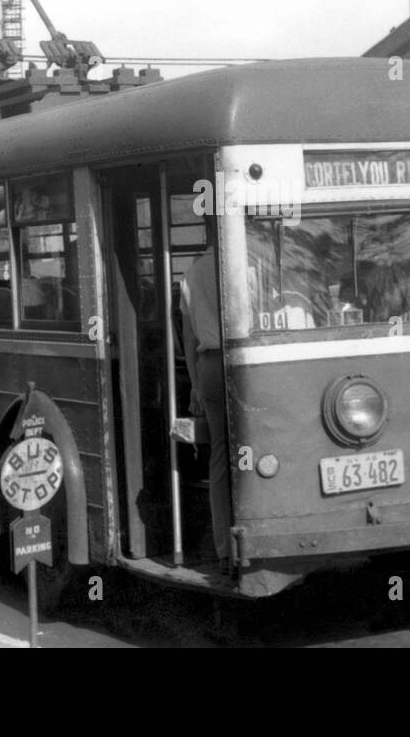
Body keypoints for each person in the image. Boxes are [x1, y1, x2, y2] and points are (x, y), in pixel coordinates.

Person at [180, 239, 232, 577]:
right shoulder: (245, 262)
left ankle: (224, 549)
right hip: (240, 363)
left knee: (220, 456)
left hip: (208, 366)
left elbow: (187, 337)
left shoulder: (192, 273)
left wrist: (196, 383)